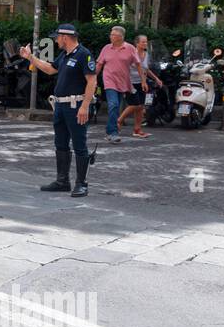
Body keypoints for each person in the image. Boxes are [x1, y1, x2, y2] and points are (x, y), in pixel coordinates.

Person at [20, 23, 97, 197]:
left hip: (75, 105)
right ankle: (63, 181)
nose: (55, 40)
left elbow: (92, 81)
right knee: (60, 143)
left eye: (57, 37)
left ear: (65, 37)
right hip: (61, 106)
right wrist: (30, 57)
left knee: (79, 144)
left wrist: (85, 106)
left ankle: (82, 183)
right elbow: (49, 69)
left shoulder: (83, 55)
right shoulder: (64, 55)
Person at [96, 25, 142, 144]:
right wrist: (92, 79)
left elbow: (138, 64)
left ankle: (110, 130)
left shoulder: (130, 48)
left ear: (120, 37)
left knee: (116, 106)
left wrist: (143, 80)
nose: (110, 36)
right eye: (111, 34)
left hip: (123, 82)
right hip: (109, 80)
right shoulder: (106, 48)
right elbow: (99, 65)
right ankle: (113, 132)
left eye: (113, 35)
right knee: (114, 104)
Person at [119, 34, 164, 138]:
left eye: (146, 42)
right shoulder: (131, 53)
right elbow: (124, 68)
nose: (145, 44)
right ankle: (119, 120)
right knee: (135, 105)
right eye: (143, 42)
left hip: (142, 82)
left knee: (140, 107)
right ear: (137, 43)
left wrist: (156, 79)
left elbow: (146, 69)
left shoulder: (146, 54)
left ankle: (137, 130)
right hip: (130, 82)